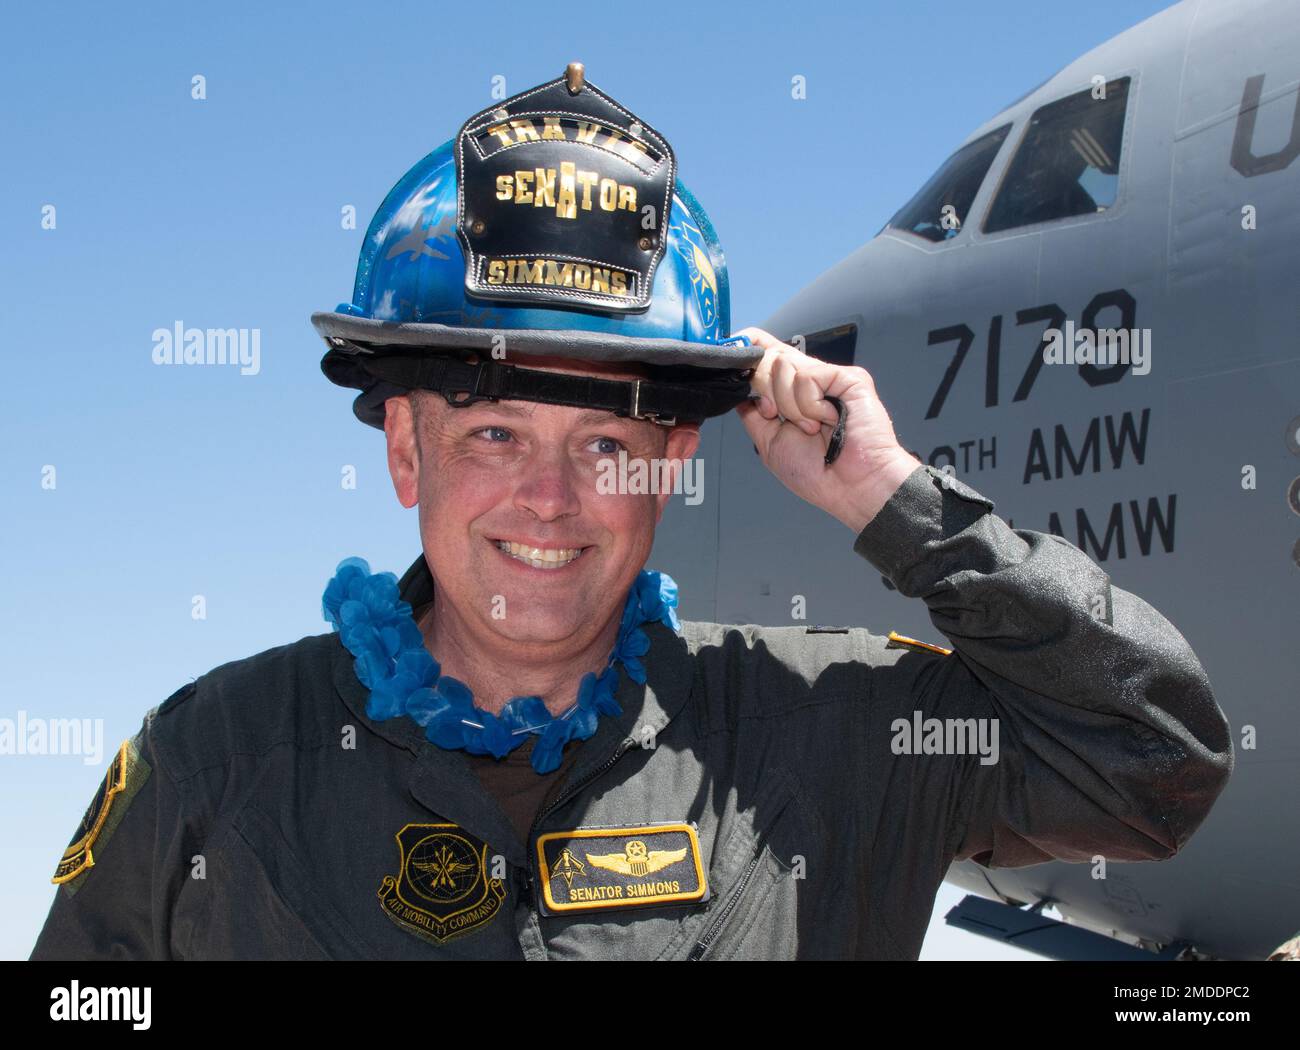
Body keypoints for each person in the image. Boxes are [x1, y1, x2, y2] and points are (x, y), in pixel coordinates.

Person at [30, 64, 1232, 961]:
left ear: (675, 463)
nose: (551, 500)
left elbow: (1155, 765)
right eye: (493, 434)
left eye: (609, 444)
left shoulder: (835, 741)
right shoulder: (214, 761)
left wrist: (895, 501)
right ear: (406, 451)